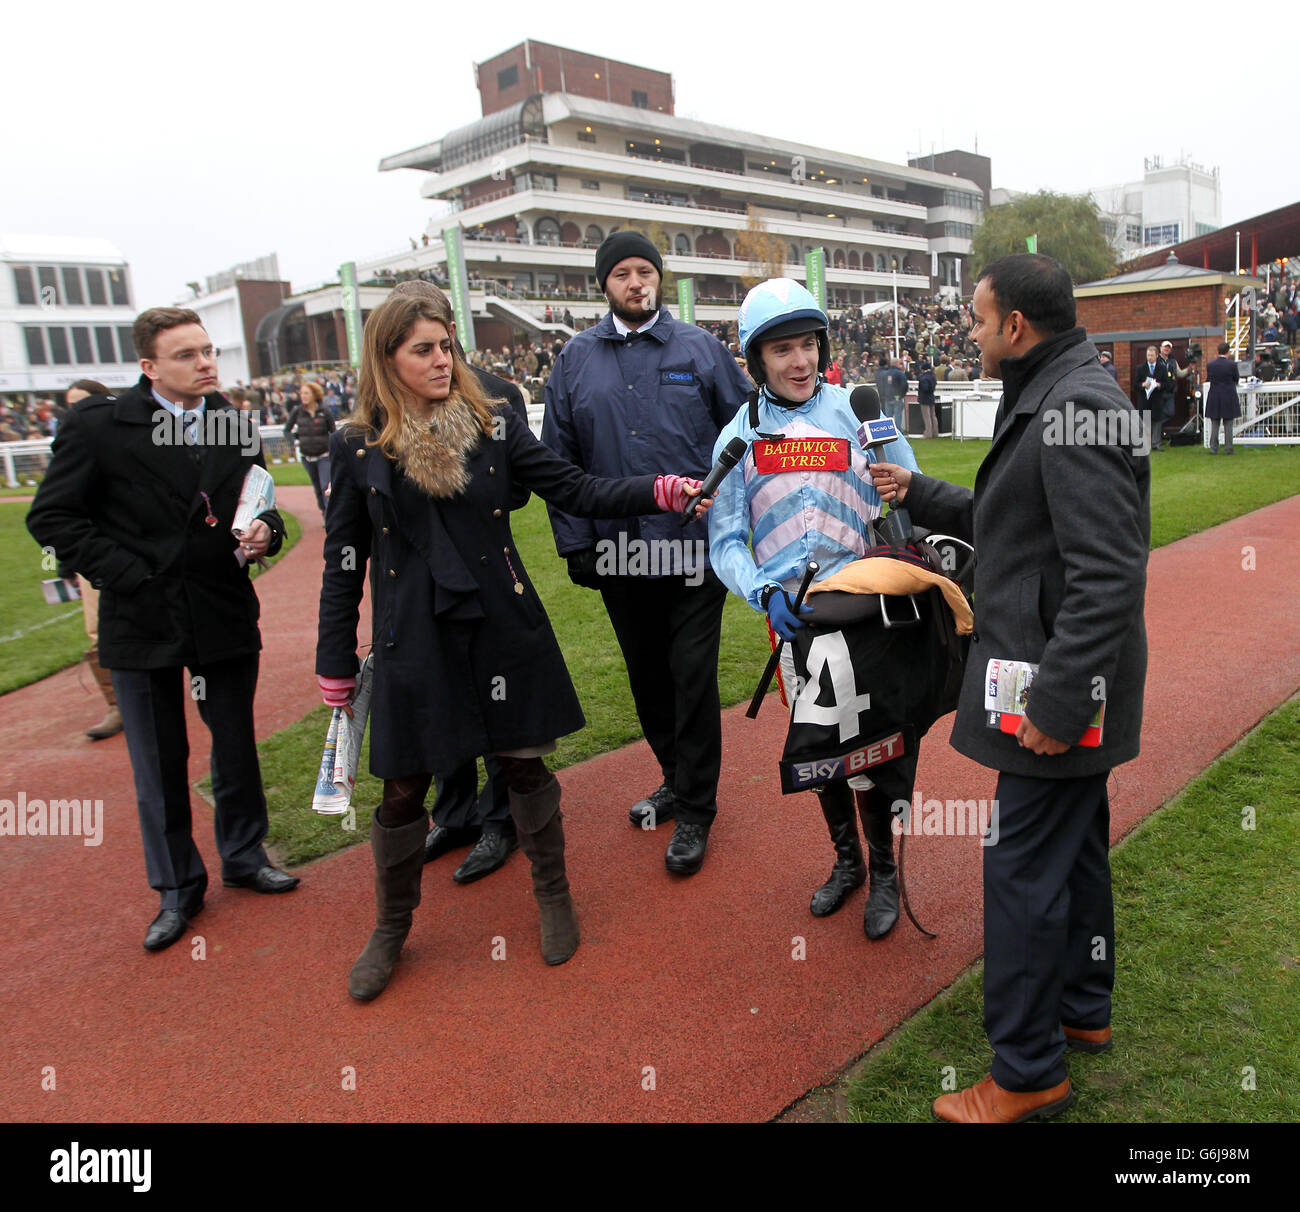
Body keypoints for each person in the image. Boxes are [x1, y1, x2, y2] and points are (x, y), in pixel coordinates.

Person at [315, 290, 711, 1001]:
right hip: (414, 637)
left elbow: (575, 487)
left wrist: (661, 489)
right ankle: (391, 927)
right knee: (402, 789)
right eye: (423, 350)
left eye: (447, 346)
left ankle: (553, 894)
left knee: (522, 767)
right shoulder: (355, 445)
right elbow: (343, 558)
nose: (442, 361)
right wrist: (333, 662)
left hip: (503, 623)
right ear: (386, 359)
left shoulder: (493, 424)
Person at [869, 254, 1149, 1122]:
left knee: (1022, 867)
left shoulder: (1078, 406)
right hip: (1061, 672)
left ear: (1016, 326)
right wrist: (922, 492)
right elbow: (1019, 516)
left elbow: (1108, 575)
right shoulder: (1058, 389)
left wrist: (1059, 707)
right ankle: (1082, 1010)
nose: (972, 331)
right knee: (1080, 844)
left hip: (1060, 688)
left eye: (979, 319)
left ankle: (1028, 1073)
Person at [27, 308, 297, 953]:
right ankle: (177, 888)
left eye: (208, 351)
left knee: (233, 743)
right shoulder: (98, 425)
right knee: (157, 758)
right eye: (187, 355)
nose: (206, 363)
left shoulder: (232, 420)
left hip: (220, 606)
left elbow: (260, 503)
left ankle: (243, 854)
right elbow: (54, 517)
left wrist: (268, 532)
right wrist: (131, 575)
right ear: (148, 367)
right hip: (140, 614)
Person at [708, 279, 920, 936]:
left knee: (879, 750)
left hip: (867, 615)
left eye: (806, 345)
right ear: (757, 360)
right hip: (795, 626)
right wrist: (763, 593)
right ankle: (847, 862)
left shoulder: (858, 411)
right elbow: (724, 537)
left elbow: (909, 497)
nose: (798, 361)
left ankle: (885, 870)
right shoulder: (737, 439)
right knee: (818, 748)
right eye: (781, 350)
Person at [540, 230, 751, 875]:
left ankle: (696, 811)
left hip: (692, 551)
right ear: (603, 285)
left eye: (646, 272)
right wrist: (576, 544)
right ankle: (673, 776)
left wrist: (736, 521)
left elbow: (745, 431)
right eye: (623, 274)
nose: (637, 283)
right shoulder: (575, 359)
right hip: (618, 554)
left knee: (691, 679)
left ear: (659, 279)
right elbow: (557, 459)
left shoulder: (699, 349)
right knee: (647, 679)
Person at [387, 278, 530, 885]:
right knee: (443, 703)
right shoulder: (384, 412)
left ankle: (501, 820)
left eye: (441, 334)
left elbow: (523, 487)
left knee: (493, 700)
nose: (438, 353)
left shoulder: (495, 398)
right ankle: (456, 814)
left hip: (485, 577)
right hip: (423, 592)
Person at [58, 379, 121, 739]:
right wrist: (67, 561)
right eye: (69, 406)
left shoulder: (129, 444)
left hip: (141, 552)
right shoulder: (69, 448)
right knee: (98, 631)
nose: (73, 413)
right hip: (93, 557)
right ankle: (117, 706)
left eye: (80, 404)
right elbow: (60, 511)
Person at [283, 381, 335, 517]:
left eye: (306, 393)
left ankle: (329, 515)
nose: (303, 396)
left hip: (324, 455)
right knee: (317, 487)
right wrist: (295, 439)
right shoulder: (297, 411)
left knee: (325, 485)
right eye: (301, 393)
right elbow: (286, 430)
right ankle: (323, 511)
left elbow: (333, 432)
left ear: (314, 394)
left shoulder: (325, 411)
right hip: (307, 456)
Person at [1205, 341, 1241, 455]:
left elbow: (1209, 378)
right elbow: (1236, 379)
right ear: (1228, 352)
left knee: (1215, 424)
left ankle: (1213, 448)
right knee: (1228, 424)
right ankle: (1229, 448)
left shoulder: (1210, 365)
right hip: (1228, 395)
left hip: (1214, 395)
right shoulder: (1232, 365)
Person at [1133, 345, 1169, 449]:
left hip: (1157, 399)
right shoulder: (1140, 368)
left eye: (1152, 355)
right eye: (1148, 355)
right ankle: (1144, 443)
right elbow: (1135, 385)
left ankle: (1156, 443)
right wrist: (1142, 385)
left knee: (1157, 421)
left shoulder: (1162, 368)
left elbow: (1168, 384)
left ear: (1157, 356)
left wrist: (1159, 385)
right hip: (1144, 400)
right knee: (1144, 421)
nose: (1150, 357)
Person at [916, 358, 938, 438]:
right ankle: (935, 432)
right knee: (933, 416)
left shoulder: (923, 377)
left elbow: (925, 388)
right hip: (931, 397)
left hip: (924, 398)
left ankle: (928, 433)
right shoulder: (933, 376)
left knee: (927, 417)